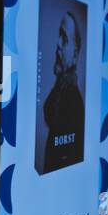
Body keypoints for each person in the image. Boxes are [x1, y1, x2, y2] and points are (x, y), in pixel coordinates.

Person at [42, 10, 85, 171]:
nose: (58, 43)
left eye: (65, 39)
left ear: (75, 55)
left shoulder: (72, 100)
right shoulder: (62, 89)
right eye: (59, 35)